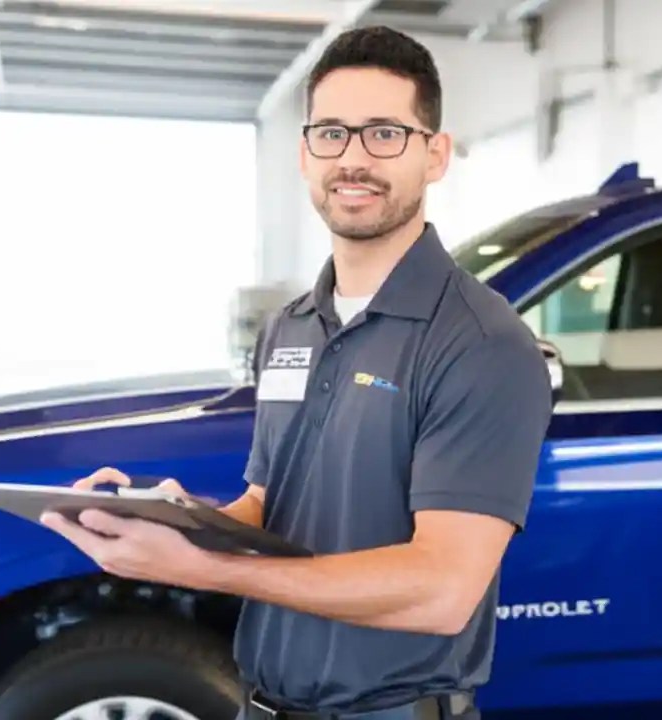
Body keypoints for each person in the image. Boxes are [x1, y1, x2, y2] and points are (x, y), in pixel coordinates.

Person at [40, 24, 553, 720]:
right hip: (265, 704)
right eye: (331, 134)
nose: (354, 158)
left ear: (435, 156)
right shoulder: (291, 327)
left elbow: (442, 589)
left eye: (384, 134)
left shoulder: (481, 343)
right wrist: (179, 522)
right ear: (305, 156)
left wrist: (200, 568)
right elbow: (265, 503)